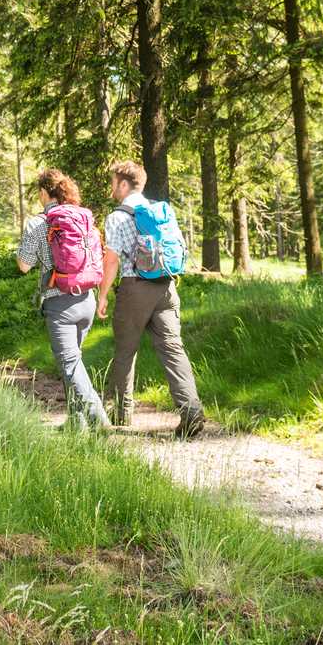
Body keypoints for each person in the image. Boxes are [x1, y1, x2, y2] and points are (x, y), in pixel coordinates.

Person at [97, 159, 206, 438]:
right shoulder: (160, 212)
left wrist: (103, 294)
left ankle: (121, 415)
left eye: (113, 182)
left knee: (125, 350)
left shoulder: (117, 217)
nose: (112, 187)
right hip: (167, 285)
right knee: (173, 349)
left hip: (135, 287)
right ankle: (191, 412)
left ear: (123, 184)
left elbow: (111, 261)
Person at [16, 168, 112, 429]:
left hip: (60, 302)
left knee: (69, 364)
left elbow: (24, 265)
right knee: (74, 361)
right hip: (87, 299)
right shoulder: (82, 218)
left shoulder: (39, 223)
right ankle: (75, 422)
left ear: (43, 192)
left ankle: (97, 416)